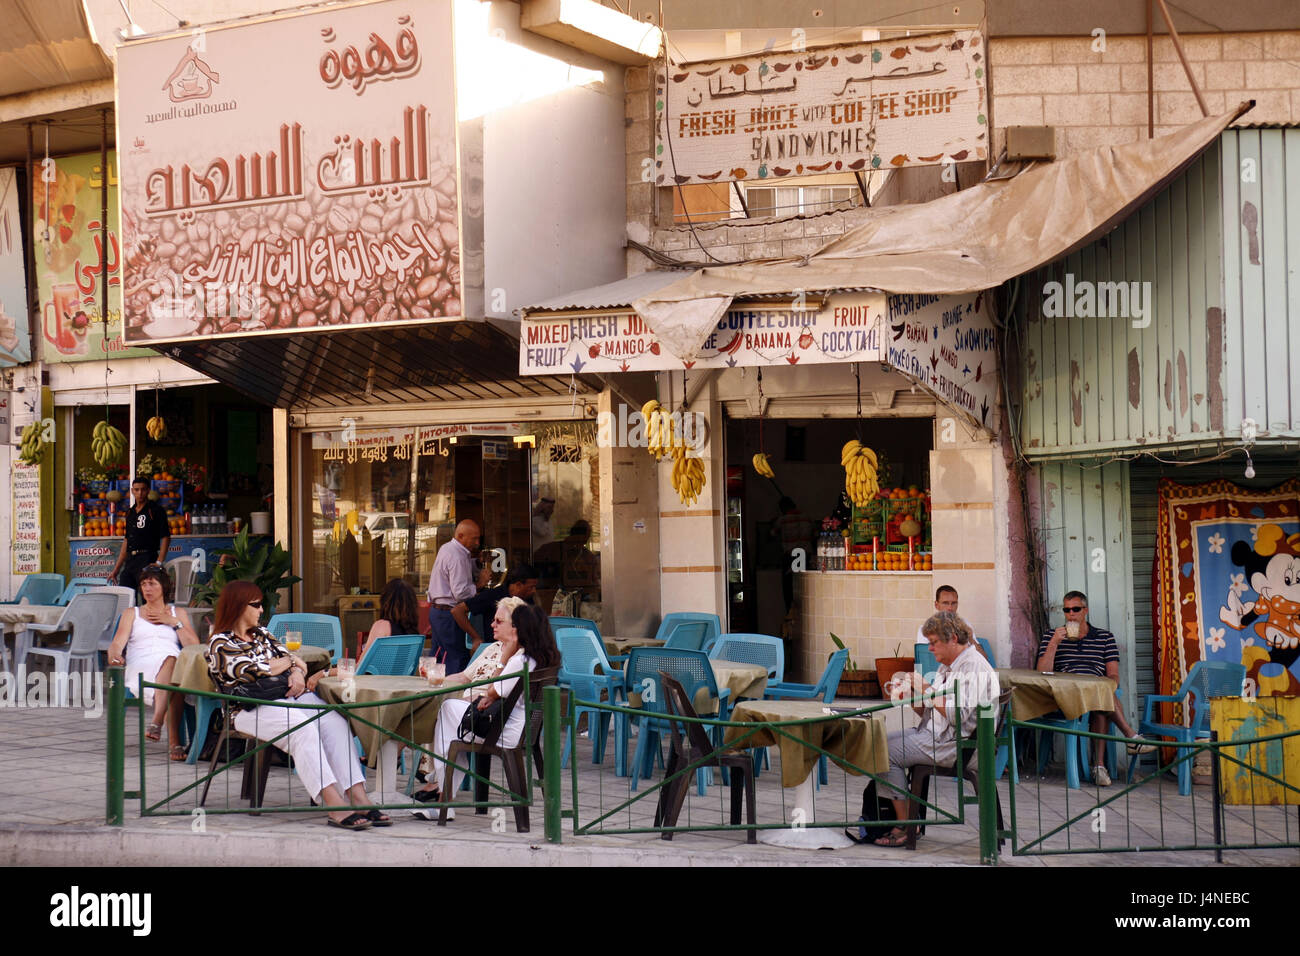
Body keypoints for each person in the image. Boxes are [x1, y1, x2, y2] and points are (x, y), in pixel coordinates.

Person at [205, 580, 388, 830]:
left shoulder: (262, 634)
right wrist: (286, 664)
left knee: (332, 720)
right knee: (301, 728)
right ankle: (332, 802)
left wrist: (295, 671)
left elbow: (292, 660)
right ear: (238, 606)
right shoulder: (220, 642)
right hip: (248, 707)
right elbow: (249, 670)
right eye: (256, 605)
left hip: (286, 697)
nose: (261, 610)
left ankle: (358, 796)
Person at [411, 597, 560, 820]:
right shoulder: (543, 658)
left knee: (447, 712)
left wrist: (504, 659)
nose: (493, 625)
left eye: (501, 621)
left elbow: (492, 692)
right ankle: (443, 796)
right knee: (452, 730)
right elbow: (490, 692)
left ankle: (444, 800)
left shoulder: (519, 660)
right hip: (516, 728)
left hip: (501, 731)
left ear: (519, 629)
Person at [873, 611, 997, 848]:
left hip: (960, 746)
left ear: (952, 638)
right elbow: (933, 712)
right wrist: (912, 696)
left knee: (884, 751)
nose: (930, 649)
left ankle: (907, 825)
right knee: (879, 742)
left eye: (933, 642)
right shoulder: (950, 665)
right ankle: (905, 818)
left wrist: (927, 688)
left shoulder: (973, 667)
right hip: (940, 736)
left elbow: (957, 716)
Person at [1036, 590, 1154, 786]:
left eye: (1075, 609)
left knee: (1101, 702)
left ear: (1086, 610)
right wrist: (1054, 643)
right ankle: (1130, 738)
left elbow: (1113, 674)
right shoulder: (1052, 636)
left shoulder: (1104, 637)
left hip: (1096, 689)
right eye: (1067, 610)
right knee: (1102, 698)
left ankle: (1099, 767)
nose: (1071, 614)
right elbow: (1042, 672)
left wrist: (1108, 686)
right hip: (1066, 693)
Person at [106, 564, 197, 760]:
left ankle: (157, 722)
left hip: (172, 663)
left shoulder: (177, 613)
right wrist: (115, 655)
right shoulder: (132, 613)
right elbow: (117, 643)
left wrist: (173, 622)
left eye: (152, 584)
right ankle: (173, 741)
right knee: (175, 676)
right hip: (141, 663)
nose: (147, 588)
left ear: (163, 587)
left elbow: (193, 646)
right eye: (144, 584)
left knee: (173, 663)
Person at [426, 519, 481, 673]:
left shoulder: (447, 548)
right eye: (474, 538)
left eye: (478, 538)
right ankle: (453, 693)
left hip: (437, 612)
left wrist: (476, 563)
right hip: (448, 614)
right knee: (455, 658)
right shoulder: (457, 556)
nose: (477, 543)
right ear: (461, 536)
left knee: (437, 657)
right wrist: (480, 584)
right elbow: (460, 593)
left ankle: (434, 691)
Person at [451, 563, 539, 651]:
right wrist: (475, 637)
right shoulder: (493, 595)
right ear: (518, 585)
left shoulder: (528, 598)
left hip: (523, 647)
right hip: (496, 648)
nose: (534, 591)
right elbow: (457, 611)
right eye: (531, 587)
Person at [108, 477, 171, 599]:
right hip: (130, 561)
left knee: (148, 598)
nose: (140, 493)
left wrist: (159, 562)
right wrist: (116, 569)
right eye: (136, 490)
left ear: (148, 491)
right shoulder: (130, 512)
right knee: (126, 598)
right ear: (132, 491)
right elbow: (127, 541)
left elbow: (166, 537)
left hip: (147, 559)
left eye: (143, 489)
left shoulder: (156, 510)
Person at [916, 586, 989, 662]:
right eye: (945, 603)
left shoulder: (965, 624)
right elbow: (927, 661)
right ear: (936, 605)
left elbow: (984, 659)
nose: (950, 608)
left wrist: (971, 639)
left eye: (953, 603)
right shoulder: (926, 629)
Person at [357, 578, 420, 662]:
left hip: (377, 675)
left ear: (385, 601)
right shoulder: (414, 634)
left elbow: (361, 665)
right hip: (403, 675)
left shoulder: (382, 626)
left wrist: (333, 672)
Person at [772, 497, 813, 613]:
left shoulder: (782, 520)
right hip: (806, 556)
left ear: (783, 508)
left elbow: (772, 534)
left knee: (789, 590)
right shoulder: (807, 517)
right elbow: (815, 533)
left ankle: (791, 615)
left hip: (791, 557)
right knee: (805, 587)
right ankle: (805, 613)